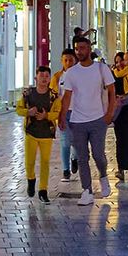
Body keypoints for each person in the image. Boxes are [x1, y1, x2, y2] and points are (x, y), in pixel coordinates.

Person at [58, 35, 116, 205]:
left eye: (82, 48)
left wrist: (109, 113)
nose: (79, 52)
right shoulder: (71, 73)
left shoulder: (101, 68)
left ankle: (103, 177)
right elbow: (66, 97)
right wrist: (62, 117)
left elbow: (112, 91)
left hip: (98, 119)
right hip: (77, 121)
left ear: (89, 49)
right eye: (77, 49)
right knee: (82, 158)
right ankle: (87, 190)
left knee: (98, 155)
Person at [16, 66, 58, 203]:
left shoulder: (53, 96)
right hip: (31, 132)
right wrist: (28, 112)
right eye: (42, 76)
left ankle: (43, 190)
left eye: (47, 76)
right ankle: (31, 179)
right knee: (29, 162)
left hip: (47, 133)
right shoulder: (28, 94)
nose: (44, 79)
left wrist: (47, 116)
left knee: (45, 162)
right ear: (36, 78)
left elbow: (58, 113)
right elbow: (18, 109)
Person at [52, 48, 78, 180]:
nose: (68, 62)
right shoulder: (57, 77)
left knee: (77, 141)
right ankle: (65, 169)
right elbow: (52, 95)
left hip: (78, 113)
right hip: (63, 113)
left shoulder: (81, 75)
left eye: (70, 60)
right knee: (65, 141)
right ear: (62, 61)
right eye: (65, 60)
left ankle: (75, 158)